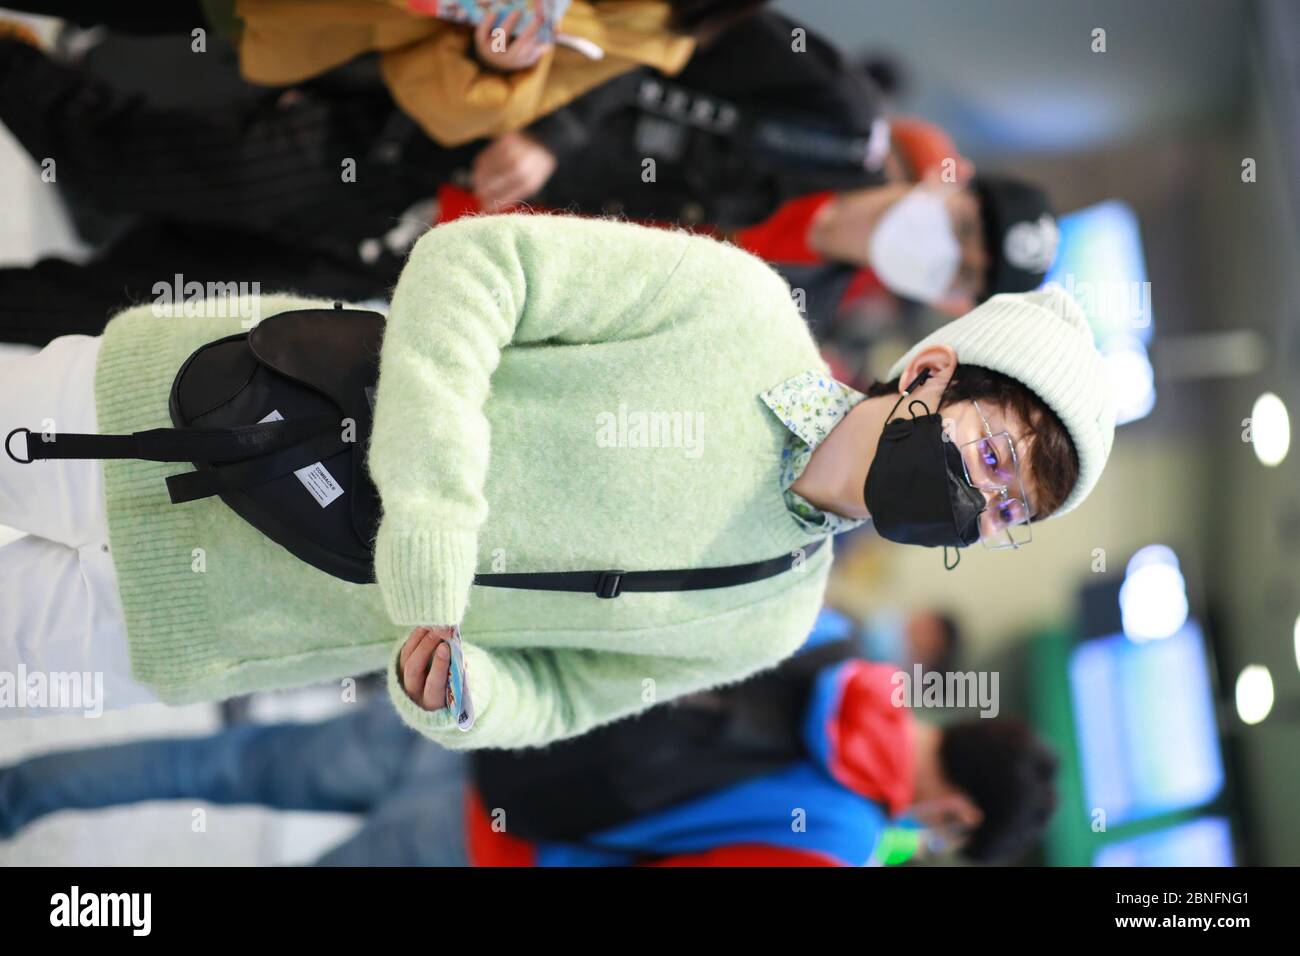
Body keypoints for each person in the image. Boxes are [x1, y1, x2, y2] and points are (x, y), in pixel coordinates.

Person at [0, 212, 1113, 749]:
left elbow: (571, 692)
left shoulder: (775, 611)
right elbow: (473, 264)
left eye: (1008, 507)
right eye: (992, 454)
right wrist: (433, 520)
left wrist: (472, 698)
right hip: (192, 420)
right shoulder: (736, 308)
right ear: (929, 369)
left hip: (207, 621)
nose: (980, 499)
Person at [0, 624, 1058, 866]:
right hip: (489, 842)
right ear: (957, 813)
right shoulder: (832, 834)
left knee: (216, 764)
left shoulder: (833, 644)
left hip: (484, 713)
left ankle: (12, 797)